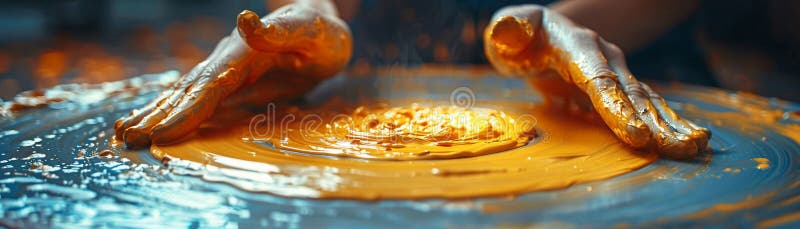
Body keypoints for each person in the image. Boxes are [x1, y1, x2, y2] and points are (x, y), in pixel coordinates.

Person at [114, 0, 710, 159]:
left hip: (610, 69)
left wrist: (542, 39)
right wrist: (308, 24)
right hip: (370, 96)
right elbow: (321, 3)